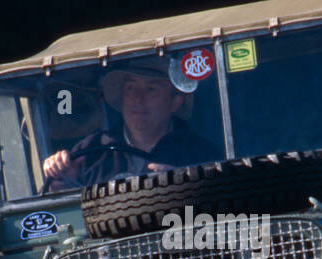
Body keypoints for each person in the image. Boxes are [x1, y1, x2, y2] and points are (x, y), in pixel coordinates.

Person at [42, 55, 223, 190]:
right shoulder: (91, 151)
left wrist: (187, 184)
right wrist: (59, 175)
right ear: (122, 97)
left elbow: (224, 205)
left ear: (175, 102)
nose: (138, 99)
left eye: (151, 89)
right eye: (130, 88)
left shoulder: (202, 154)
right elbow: (57, 219)